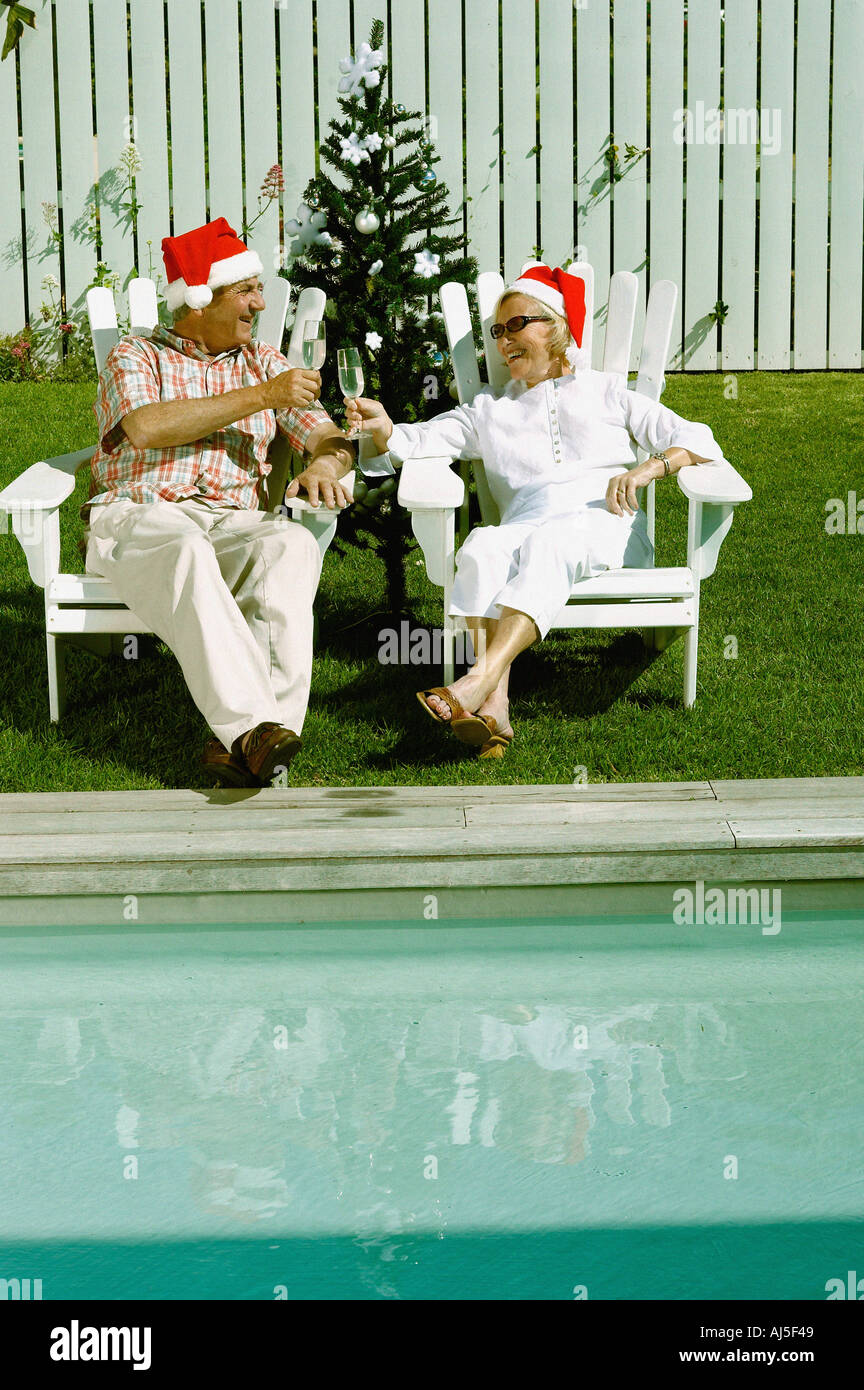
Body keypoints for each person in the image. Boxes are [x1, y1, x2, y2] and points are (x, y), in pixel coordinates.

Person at [345, 260, 729, 758]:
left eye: (518, 325)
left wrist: (649, 468)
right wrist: (382, 427)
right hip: (525, 526)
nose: (504, 341)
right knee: (483, 546)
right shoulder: (489, 409)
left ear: (558, 328)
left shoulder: (608, 392)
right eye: (498, 331)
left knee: (553, 542)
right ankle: (496, 708)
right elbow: (413, 441)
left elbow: (697, 438)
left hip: (605, 525)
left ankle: (476, 680)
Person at [83, 218, 355, 787]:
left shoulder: (262, 359)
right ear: (201, 299)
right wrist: (261, 397)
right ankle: (254, 732)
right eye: (246, 290)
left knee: (290, 544)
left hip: (230, 521)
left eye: (260, 290)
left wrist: (327, 460)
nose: (259, 302)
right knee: (184, 546)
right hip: (137, 515)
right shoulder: (138, 356)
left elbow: (324, 431)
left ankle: (250, 744)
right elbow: (147, 426)